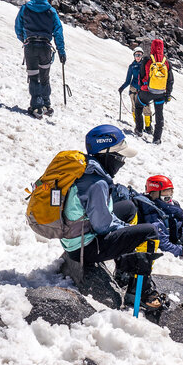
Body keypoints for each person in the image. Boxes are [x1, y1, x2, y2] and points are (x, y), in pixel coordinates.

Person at [62, 125, 164, 310]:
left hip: (76, 237)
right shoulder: (96, 182)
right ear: (106, 153)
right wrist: (126, 231)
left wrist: (123, 229)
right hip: (84, 248)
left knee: (128, 208)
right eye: (120, 156)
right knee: (149, 233)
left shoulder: (85, 170)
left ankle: (125, 268)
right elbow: (102, 225)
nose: (122, 161)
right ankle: (140, 290)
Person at [14, 0, 66, 118]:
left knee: (33, 77)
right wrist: (61, 51)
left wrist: (25, 40)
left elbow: (18, 28)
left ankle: (36, 107)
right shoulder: (51, 11)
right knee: (44, 77)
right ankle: (46, 104)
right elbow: (58, 32)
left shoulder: (25, 8)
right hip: (45, 47)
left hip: (30, 46)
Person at [135, 38, 173, 144]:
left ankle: (139, 129)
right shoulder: (167, 62)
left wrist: (141, 88)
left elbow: (141, 76)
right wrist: (168, 94)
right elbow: (170, 80)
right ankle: (157, 138)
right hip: (160, 93)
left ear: (152, 47)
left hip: (147, 91)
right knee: (159, 115)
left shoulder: (147, 59)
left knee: (138, 106)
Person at [118, 47, 145, 129]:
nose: (138, 56)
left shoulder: (145, 65)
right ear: (134, 55)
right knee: (134, 107)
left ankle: (148, 127)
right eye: (137, 55)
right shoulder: (132, 66)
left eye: (140, 55)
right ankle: (138, 125)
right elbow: (128, 80)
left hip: (142, 89)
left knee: (146, 108)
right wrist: (122, 88)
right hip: (133, 88)